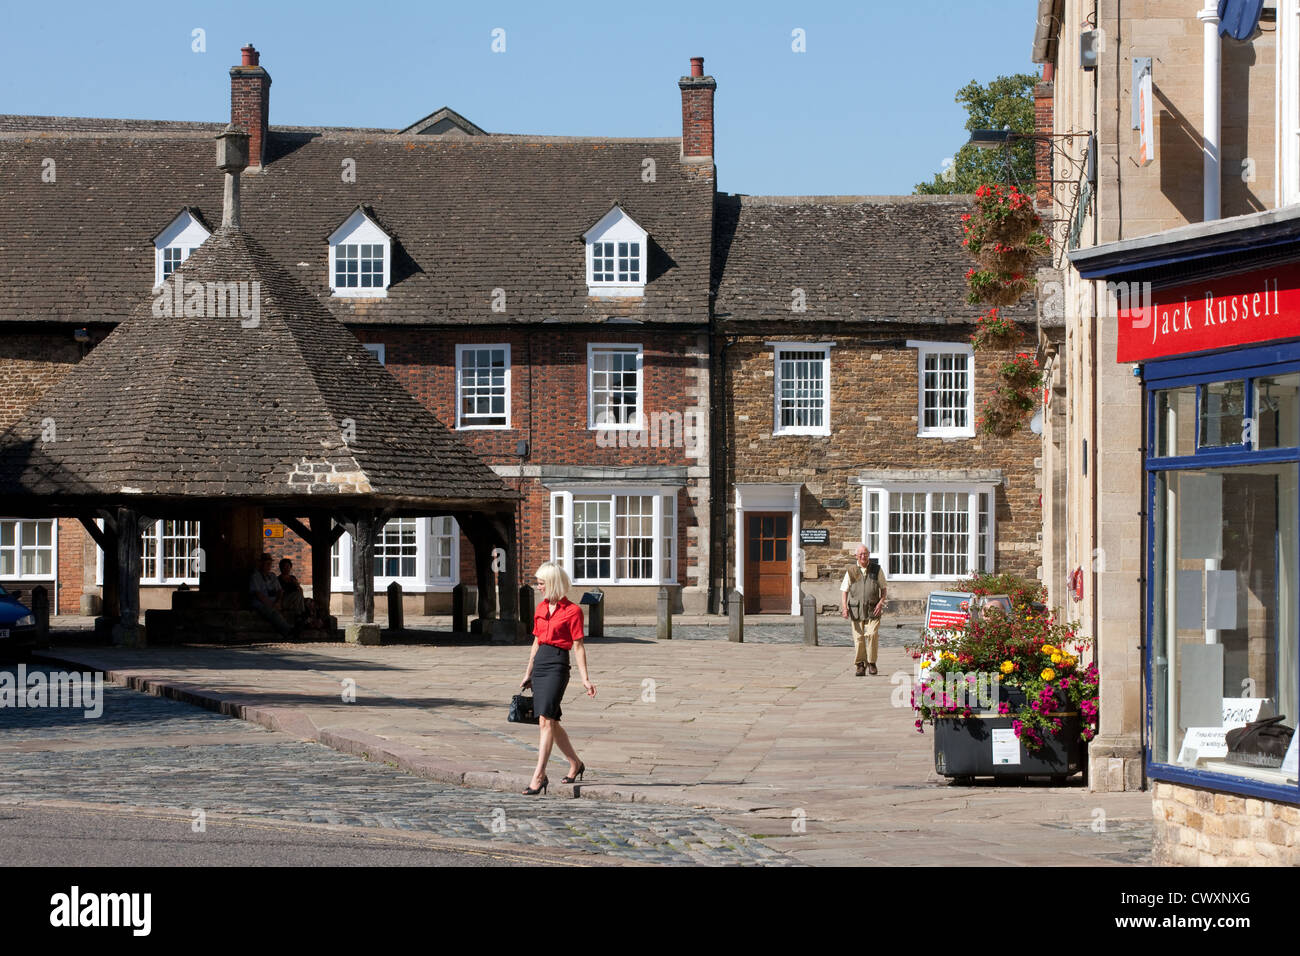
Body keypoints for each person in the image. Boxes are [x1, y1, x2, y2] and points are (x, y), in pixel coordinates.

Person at [519, 561, 595, 795]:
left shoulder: (573, 611)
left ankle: (539, 775)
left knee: (545, 721)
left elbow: (578, 646)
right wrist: (528, 672)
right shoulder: (540, 608)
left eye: (542, 583)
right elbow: (536, 642)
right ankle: (575, 763)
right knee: (550, 721)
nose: (539, 586)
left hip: (558, 664)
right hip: (541, 662)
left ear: (552, 583)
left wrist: (585, 678)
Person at [841, 544, 886, 676]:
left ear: (869, 555)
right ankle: (860, 665)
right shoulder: (851, 571)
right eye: (860, 554)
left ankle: (871, 663)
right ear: (856, 556)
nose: (863, 556)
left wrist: (881, 602)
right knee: (859, 638)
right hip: (856, 610)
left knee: (872, 634)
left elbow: (883, 588)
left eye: (865, 553)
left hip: (873, 608)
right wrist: (844, 608)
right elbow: (844, 591)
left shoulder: (876, 570)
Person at [249, 552, 293, 637]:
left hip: (274, 601)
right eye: (267, 563)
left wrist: (278, 602)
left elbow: (280, 591)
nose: (269, 566)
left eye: (270, 564)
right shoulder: (255, 576)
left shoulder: (272, 576)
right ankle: (288, 630)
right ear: (261, 564)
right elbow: (258, 594)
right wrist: (272, 605)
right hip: (261, 603)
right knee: (272, 612)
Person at [278, 558, 306, 625]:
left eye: (288, 566)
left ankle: (300, 614)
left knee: (302, 596)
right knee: (298, 595)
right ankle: (301, 614)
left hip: (295, 600)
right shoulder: (279, 579)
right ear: (281, 568)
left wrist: (296, 584)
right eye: (284, 566)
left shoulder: (293, 578)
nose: (286, 568)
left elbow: (300, 590)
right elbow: (280, 592)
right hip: (285, 600)